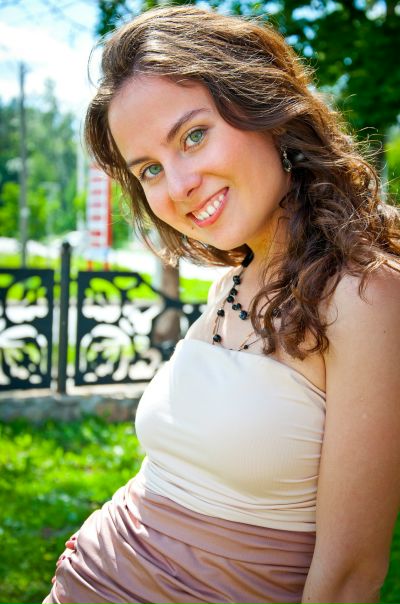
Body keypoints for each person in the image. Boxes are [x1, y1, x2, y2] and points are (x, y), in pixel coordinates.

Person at [44, 6, 400, 604]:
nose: (178, 185)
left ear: (266, 108)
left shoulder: (366, 295)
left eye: (193, 136)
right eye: (149, 169)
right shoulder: (232, 281)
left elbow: (349, 577)